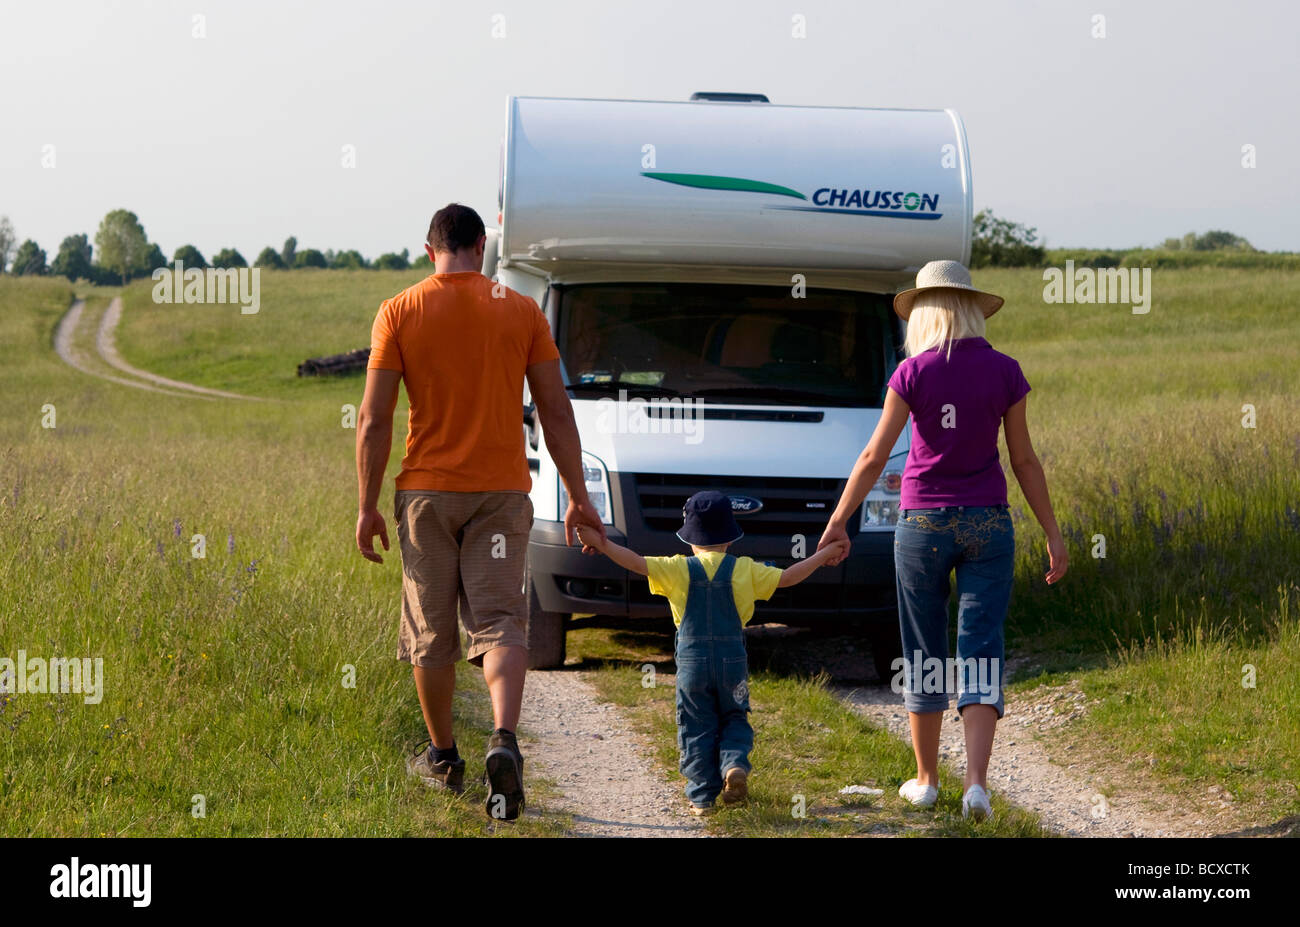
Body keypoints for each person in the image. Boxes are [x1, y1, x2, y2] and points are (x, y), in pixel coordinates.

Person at [355, 203, 606, 820]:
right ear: (481, 244)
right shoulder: (519, 311)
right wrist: (576, 494)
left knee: (431, 629)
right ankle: (504, 738)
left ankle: (443, 757)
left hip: (427, 497)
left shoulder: (399, 310)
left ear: (428, 248)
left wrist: (365, 506)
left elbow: (373, 419)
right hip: (500, 496)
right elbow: (556, 410)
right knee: (499, 621)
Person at [818, 259, 1067, 822]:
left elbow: (873, 456)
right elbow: (1023, 460)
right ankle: (976, 785)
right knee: (981, 645)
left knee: (923, 647)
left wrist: (839, 521)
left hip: (922, 524)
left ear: (923, 313)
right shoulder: (1005, 370)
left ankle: (928, 780)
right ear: (972, 307)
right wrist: (1053, 533)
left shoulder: (912, 373)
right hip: (988, 522)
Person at [578, 491, 848, 814]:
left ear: (690, 539)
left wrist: (603, 543)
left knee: (696, 723)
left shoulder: (677, 568)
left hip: (692, 665)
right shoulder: (743, 569)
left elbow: (635, 562)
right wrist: (824, 554)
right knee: (734, 714)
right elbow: (788, 578)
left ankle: (702, 797)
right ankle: (734, 764)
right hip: (731, 660)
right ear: (730, 539)